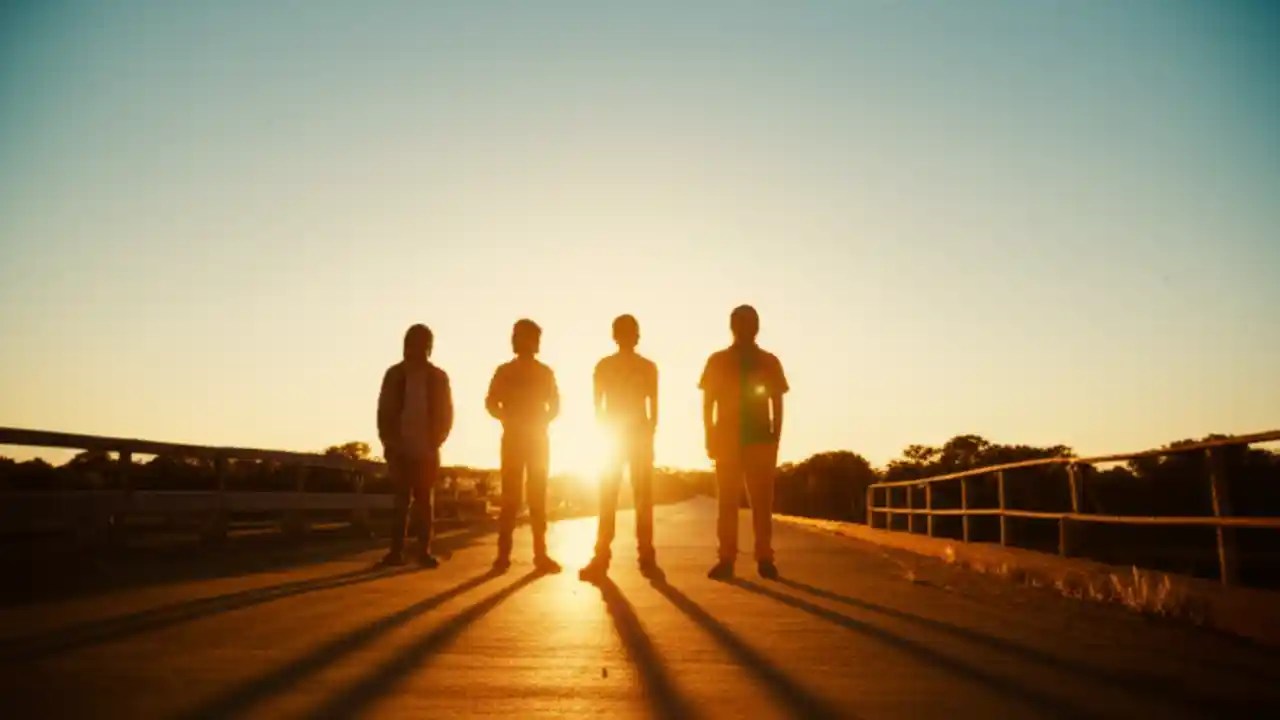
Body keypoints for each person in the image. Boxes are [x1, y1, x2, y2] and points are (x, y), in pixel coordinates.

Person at [700, 305, 788, 580]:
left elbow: (777, 400)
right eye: (743, 324)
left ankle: (764, 557)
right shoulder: (718, 360)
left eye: (750, 323)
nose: (747, 329)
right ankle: (727, 558)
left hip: (760, 438)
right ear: (733, 327)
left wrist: (776, 435)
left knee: (761, 502)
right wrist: (709, 435)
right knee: (728, 501)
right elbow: (708, 402)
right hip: (728, 438)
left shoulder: (769, 361)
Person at [579, 315, 660, 583]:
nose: (627, 337)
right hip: (616, 436)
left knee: (637, 497)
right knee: (611, 497)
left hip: (631, 435)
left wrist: (647, 433)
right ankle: (605, 556)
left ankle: (643, 554)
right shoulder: (606, 366)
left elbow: (653, 407)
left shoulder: (646, 367)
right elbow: (597, 405)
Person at [486, 319, 562, 573]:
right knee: (512, 498)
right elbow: (490, 402)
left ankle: (539, 555)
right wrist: (506, 417)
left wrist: (542, 420)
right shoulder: (505, 371)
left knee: (537, 498)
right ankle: (503, 555)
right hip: (515, 439)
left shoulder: (544, 373)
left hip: (536, 439)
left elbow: (556, 406)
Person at [376, 323, 453, 568]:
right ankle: (395, 552)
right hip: (400, 447)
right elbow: (384, 411)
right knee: (400, 502)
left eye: (422, 343)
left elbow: (446, 413)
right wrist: (389, 442)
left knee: (423, 503)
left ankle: (423, 551)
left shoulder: (438, 377)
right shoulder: (394, 374)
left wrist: (437, 440)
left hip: (427, 449)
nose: (418, 348)